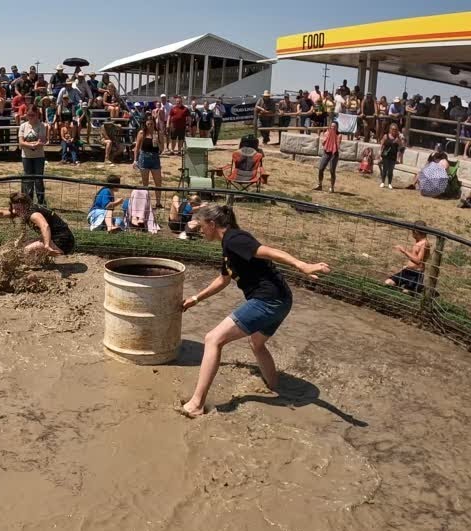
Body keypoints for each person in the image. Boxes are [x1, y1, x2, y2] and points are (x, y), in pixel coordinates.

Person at [178, 205, 331, 418]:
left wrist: (301, 265)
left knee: (213, 339)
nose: (200, 231)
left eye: (202, 226)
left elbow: (267, 250)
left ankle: (196, 405)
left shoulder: (234, 239)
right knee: (256, 343)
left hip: (268, 300)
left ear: (212, 224)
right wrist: (195, 299)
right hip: (282, 300)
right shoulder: (229, 245)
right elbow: (223, 279)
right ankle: (274, 385)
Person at [0, 191, 74, 259]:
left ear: (26, 205)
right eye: (15, 208)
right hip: (57, 238)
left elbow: (45, 226)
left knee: (26, 251)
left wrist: (46, 245)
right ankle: (41, 263)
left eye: (19, 209)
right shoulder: (24, 210)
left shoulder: (33, 214)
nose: (16, 211)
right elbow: (2, 213)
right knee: (22, 246)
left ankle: (36, 269)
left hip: (64, 241)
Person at [384, 222, 430, 293]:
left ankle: (418, 286)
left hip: (416, 273)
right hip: (407, 271)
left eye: (412, 230)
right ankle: (408, 286)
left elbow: (418, 261)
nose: (411, 232)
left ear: (416, 231)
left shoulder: (424, 244)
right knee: (388, 283)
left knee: (406, 292)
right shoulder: (418, 241)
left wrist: (404, 250)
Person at [133, 114, 165, 208]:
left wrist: (157, 142)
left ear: (154, 123)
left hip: (155, 158)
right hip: (144, 158)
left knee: (158, 182)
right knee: (145, 183)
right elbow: (137, 148)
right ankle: (145, 203)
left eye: (152, 123)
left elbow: (162, 149)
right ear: (145, 124)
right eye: (148, 124)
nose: (150, 125)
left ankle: (158, 203)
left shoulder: (158, 133)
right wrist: (135, 160)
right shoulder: (142, 133)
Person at [19, 107, 47, 205]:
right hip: (26, 156)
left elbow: (41, 141)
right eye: (28, 115)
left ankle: (41, 202)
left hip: (39, 156)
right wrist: (32, 145)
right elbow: (21, 142)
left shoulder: (42, 125)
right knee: (28, 180)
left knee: (39, 179)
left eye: (32, 115)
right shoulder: (23, 126)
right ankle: (28, 202)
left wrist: (30, 144)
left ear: (37, 115)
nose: (30, 117)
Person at [315, 121, 340, 193]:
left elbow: (337, 146)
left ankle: (332, 187)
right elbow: (323, 143)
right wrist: (328, 137)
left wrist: (333, 138)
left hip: (334, 154)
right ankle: (320, 184)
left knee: (332, 171)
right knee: (321, 168)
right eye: (332, 126)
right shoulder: (326, 133)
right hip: (327, 152)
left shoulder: (339, 135)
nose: (333, 128)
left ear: (337, 128)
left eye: (334, 127)